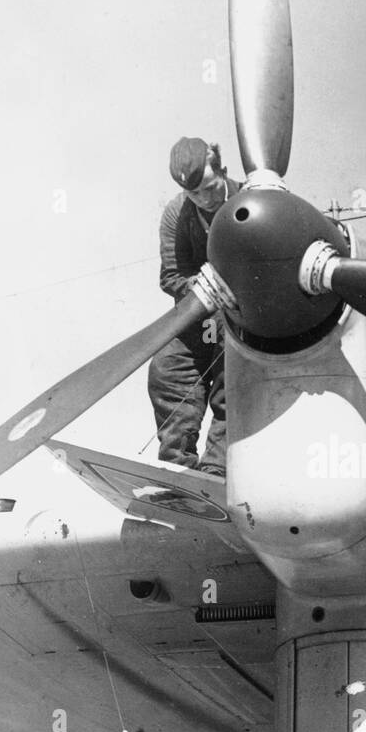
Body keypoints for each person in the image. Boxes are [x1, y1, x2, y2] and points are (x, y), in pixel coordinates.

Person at [147, 137, 240, 477]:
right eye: (195, 194)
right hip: (199, 315)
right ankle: (179, 470)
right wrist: (202, 287)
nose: (204, 199)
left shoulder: (252, 200)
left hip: (244, 323)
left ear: (225, 172)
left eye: (211, 188)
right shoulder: (177, 213)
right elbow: (170, 276)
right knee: (166, 368)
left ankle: (218, 472)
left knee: (234, 382)